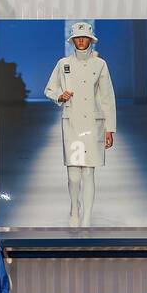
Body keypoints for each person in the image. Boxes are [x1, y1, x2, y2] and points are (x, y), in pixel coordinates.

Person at [44, 21, 117, 227]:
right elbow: (49, 90)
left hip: (94, 124)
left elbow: (107, 97)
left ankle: (85, 219)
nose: (81, 40)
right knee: (74, 174)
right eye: (78, 37)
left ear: (91, 40)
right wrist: (60, 95)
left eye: (85, 37)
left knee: (89, 172)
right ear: (73, 40)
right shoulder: (63, 64)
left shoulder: (100, 65)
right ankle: (75, 207)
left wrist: (110, 128)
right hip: (72, 123)